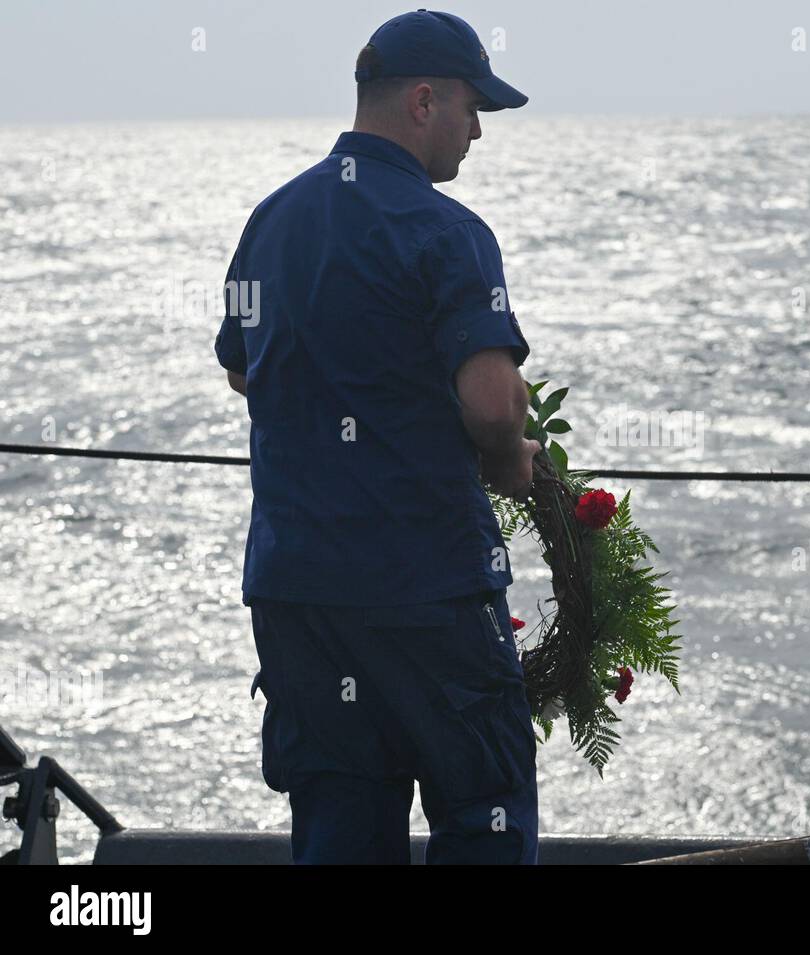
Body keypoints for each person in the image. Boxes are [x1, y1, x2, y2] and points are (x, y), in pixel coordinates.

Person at [213, 10, 541, 864]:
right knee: (483, 821)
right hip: (425, 595)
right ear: (424, 101)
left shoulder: (270, 223)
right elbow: (496, 404)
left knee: (340, 834)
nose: (478, 132)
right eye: (474, 109)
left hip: (299, 601)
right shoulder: (450, 233)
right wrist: (509, 466)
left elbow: (245, 370)